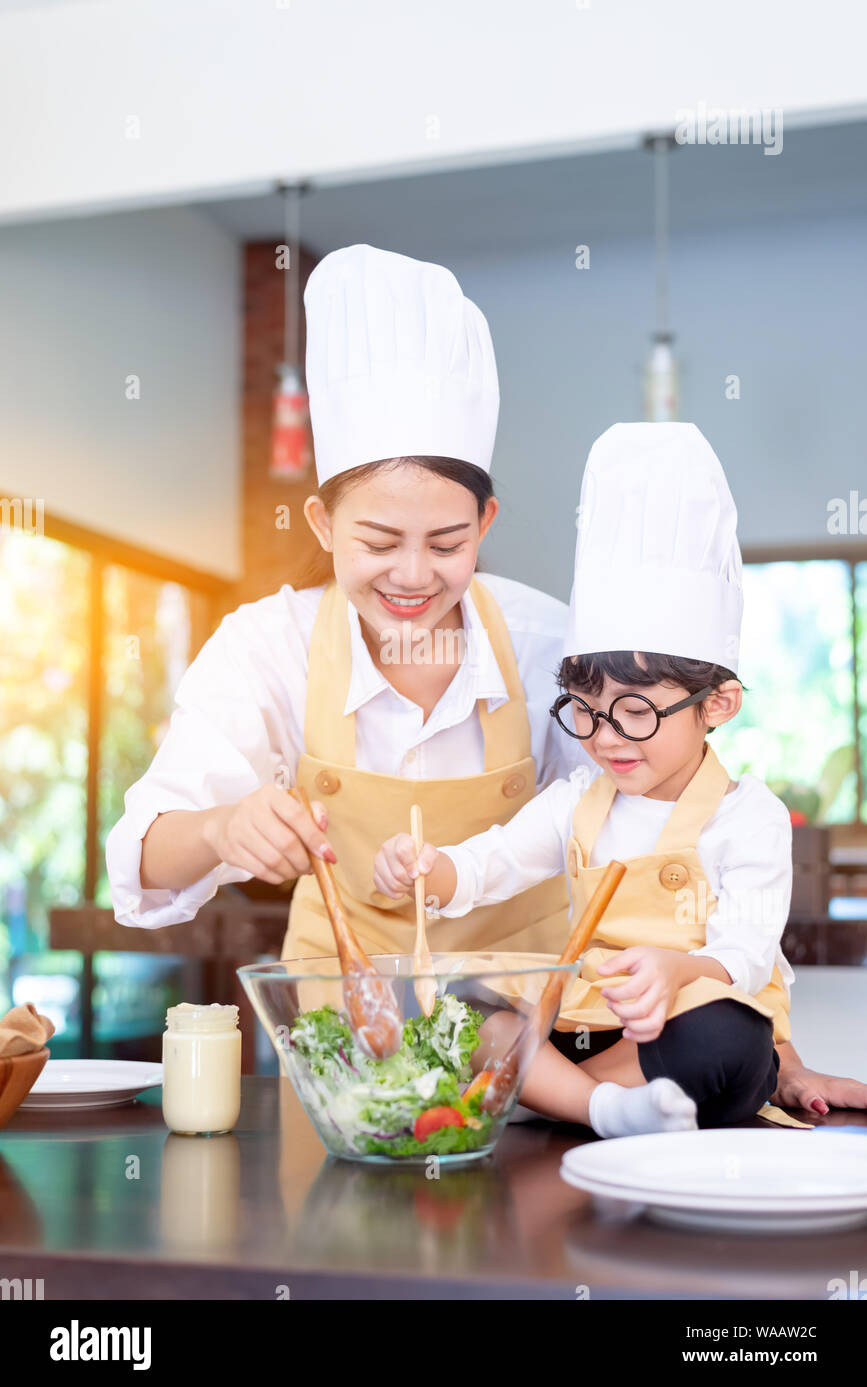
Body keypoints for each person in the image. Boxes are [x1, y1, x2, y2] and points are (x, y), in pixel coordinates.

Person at [106, 247, 866, 1114]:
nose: (412, 576)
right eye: (377, 542)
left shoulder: (551, 646)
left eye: (446, 543)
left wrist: (768, 1052)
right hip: (352, 1049)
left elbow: (673, 849)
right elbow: (142, 863)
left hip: (543, 1038)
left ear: (487, 522)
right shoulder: (266, 648)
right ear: (322, 522)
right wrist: (222, 826)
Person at [372, 423, 831, 1132]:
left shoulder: (747, 817)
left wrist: (676, 973)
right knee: (464, 1013)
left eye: (635, 714)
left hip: (677, 1030)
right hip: (585, 1030)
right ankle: (605, 1108)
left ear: (717, 704)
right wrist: (422, 867)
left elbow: (744, 952)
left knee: (728, 1041)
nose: (606, 739)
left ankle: (552, 1096)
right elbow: (483, 868)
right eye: (584, 714)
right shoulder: (575, 804)